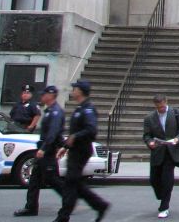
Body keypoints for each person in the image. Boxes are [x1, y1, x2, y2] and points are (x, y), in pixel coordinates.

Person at [54, 79, 110, 222]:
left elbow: (91, 129)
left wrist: (75, 137)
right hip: (75, 149)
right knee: (74, 182)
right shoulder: (80, 108)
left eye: (75, 89)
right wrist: (65, 147)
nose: (73, 91)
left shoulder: (88, 109)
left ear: (80, 91)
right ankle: (100, 205)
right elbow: (75, 132)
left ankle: (63, 216)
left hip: (82, 150)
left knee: (70, 183)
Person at [14, 85, 64, 217]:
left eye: (44, 94)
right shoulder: (49, 110)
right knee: (34, 180)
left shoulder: (56, 112)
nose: (42, 96)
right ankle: (31, 207)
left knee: (53, 179)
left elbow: (53, 133)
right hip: (44, 149)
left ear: (51, 95)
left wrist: (45, 149)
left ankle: (70, 198)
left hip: (47, 151)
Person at [143, 94, 179, 218]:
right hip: (157, 151)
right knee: (154, 179)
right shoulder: (149, 118)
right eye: (158, 108)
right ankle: (162, 195)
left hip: (171, 151)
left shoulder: (176, 113)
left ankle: (164, 207)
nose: (161, 109)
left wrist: (177, 139)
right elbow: (146, 135)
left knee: (167, 179)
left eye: (162, 107)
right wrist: (150, 142)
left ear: (166, 102)